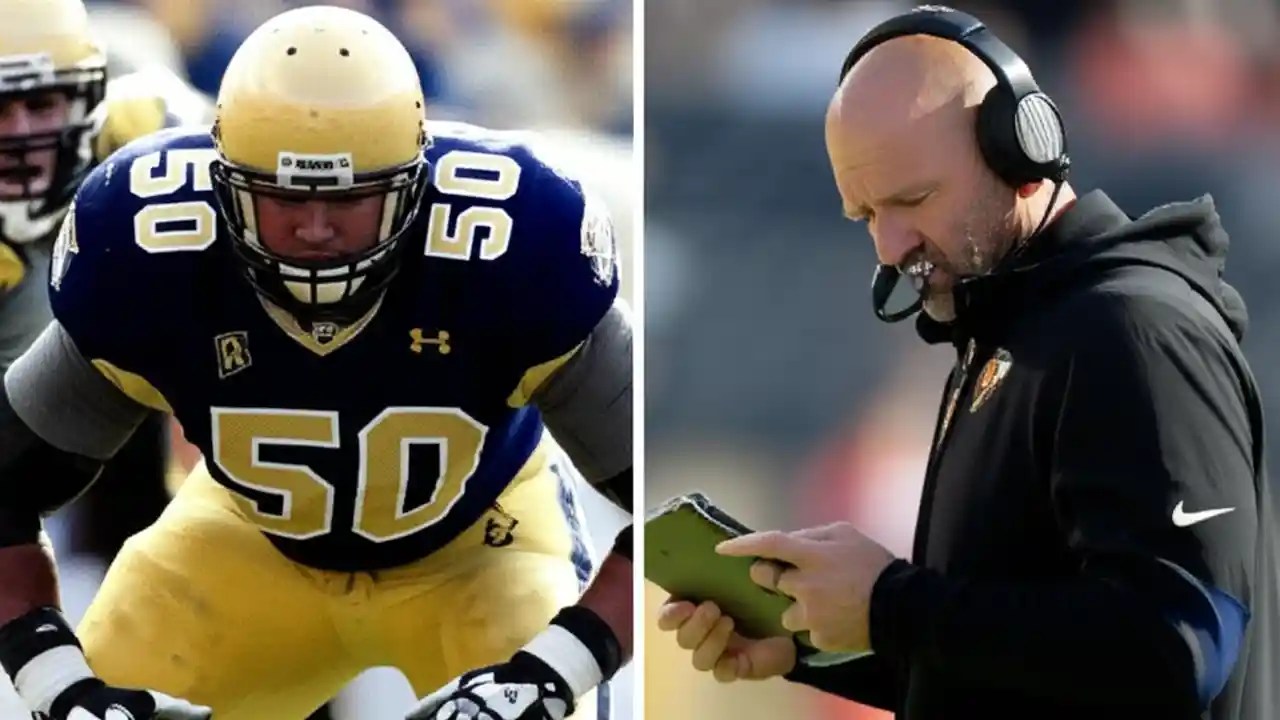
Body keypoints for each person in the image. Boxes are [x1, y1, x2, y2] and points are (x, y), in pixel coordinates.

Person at [0, 5, 633, 720]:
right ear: (226, 185)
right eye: (281, 196)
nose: (315, 226)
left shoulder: (517, 242)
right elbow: (6, 490)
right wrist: (57, 682)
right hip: (249, 544)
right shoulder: (144, 246)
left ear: (412, 185)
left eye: (352, 196)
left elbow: (660, 500)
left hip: (483, 550)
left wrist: (558, 665)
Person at [657, 7, 1275, 720]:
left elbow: (1175, 649)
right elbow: (1024, 666)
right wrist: (811, 643)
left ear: (1023, 153)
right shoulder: (1016, 334)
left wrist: (890, 602)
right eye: (865, 215)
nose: (890, 247)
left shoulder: (1134, 330)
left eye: (912, 200)